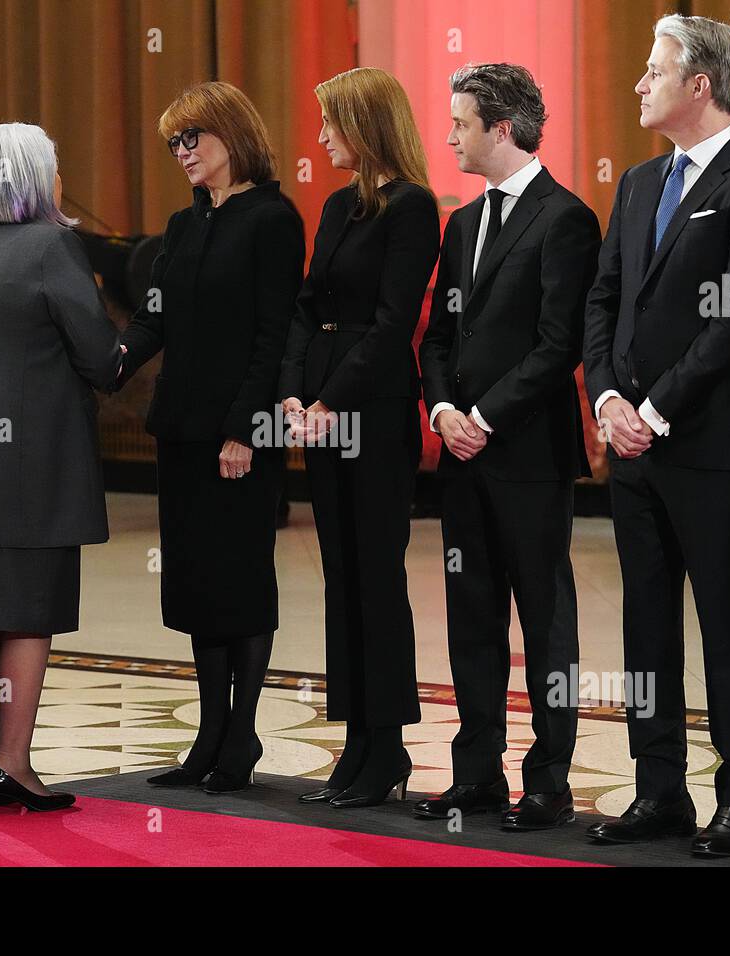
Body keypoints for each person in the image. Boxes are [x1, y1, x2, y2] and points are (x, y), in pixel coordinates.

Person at [582, 14, 730, 857]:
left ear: (698, 85)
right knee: (645, 626)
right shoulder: (637, 183)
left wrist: (657, 409)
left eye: (652, 70)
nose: (640, 83)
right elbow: (604, 300)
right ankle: (657, 791)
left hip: (706, 446)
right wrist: (605, 398)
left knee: (726, 624)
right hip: (630, 446)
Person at [414, 63, 600, 830]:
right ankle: (477, 776)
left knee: (545, 621)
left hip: (527, 456)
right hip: (461, 456)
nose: (449, 135)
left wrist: (483, 417)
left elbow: (560, 347)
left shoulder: (567, 219)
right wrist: (444, 411)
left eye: (460, 123)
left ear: (501, 128)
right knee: (471, 617)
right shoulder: (461, 223)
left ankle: (548, 783)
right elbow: (437, 340)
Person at [0, 122, 123, 813]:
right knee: (28, 612)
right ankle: (14, 765)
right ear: (36, 181)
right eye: (55, 167)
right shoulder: (53, 246)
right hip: (31, 462)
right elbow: (100, 359)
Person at [116, 82, 305, 793]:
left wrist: (244, 430)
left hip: (239, 436)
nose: (182, 153)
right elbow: (152, 319)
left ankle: (242, 733)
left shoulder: (273, 220)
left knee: (241, 583)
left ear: (232, 134)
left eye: (192, 138)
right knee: (197, 586)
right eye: (173, 143)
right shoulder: (183, 224)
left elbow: (273, 335)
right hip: (181, 432)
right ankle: (208, 735)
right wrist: (109, 361)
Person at [280, 67, 440, 809]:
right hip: (319, 405)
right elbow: (309, 306)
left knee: (378, 578)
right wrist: (293, 390)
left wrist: (327, 401)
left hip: (371, 412)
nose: (321, 138)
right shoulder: (337, 205)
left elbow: (392, 323)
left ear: (366, 126)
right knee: (340, 578)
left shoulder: (413, 208)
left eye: (331, 125)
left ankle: (388, 744)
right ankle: (355, 742)